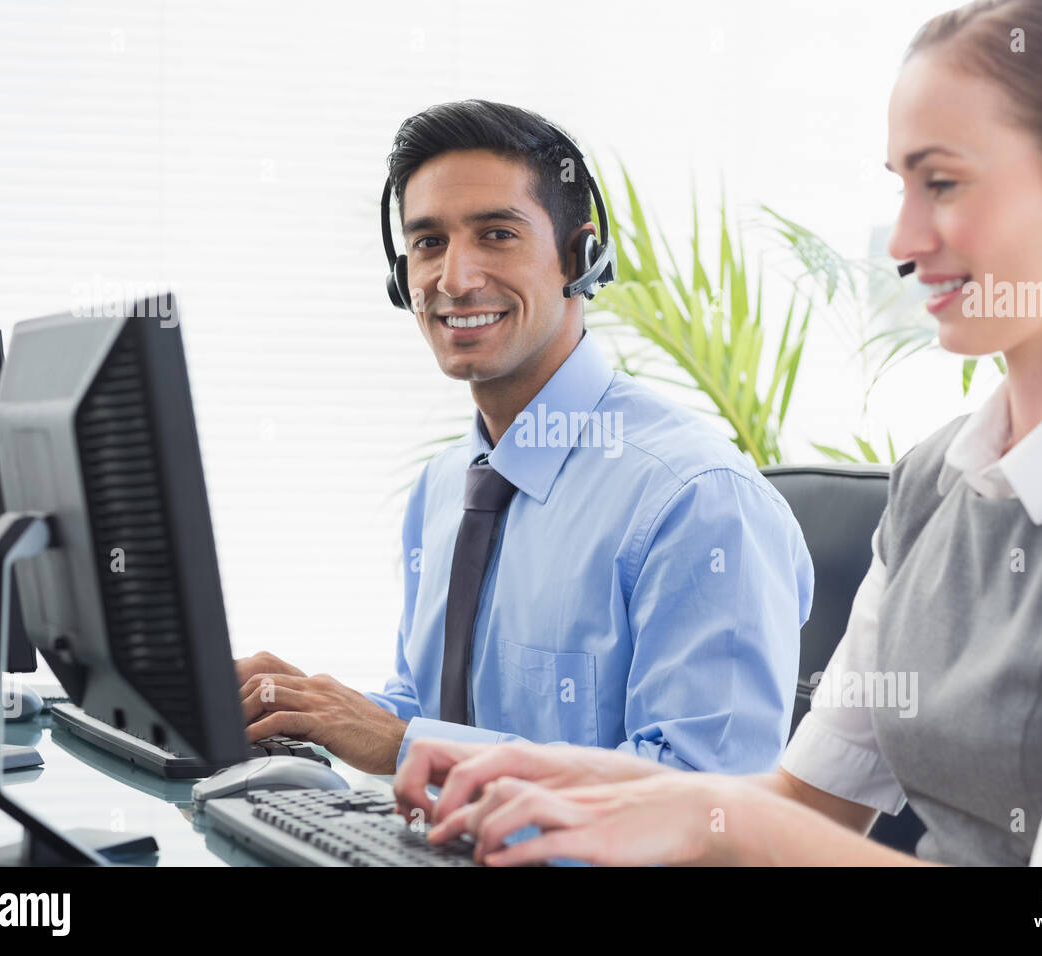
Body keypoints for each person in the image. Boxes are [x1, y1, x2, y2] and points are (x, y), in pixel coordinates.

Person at [394, 0, 1042, 866]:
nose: (902, 240)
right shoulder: (938, 479)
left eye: (942, 183)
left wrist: (708, 816)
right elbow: (807, 808)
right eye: (900, 185)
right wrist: (554, 776)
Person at [234, 100, 814, 776]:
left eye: (497, 235)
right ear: (403, 280)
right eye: (428, 243)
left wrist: (405, 746)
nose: (453, 278)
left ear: (581, 256)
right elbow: (432, 711)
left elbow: (707, 795)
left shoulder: (697, 500)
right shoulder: (448, 486)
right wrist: (302, 712)